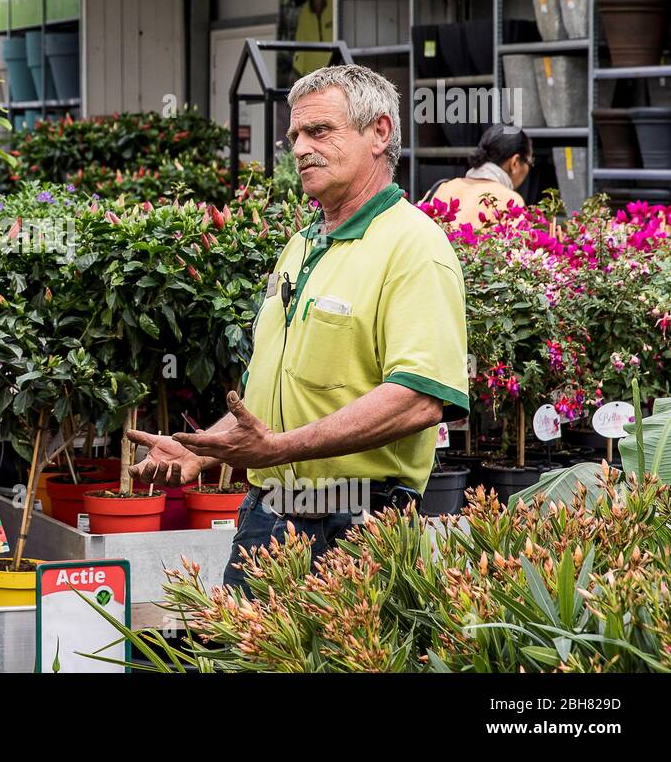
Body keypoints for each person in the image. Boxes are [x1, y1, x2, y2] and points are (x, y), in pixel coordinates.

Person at [128, 64, 469, 597]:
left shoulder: (415, 248)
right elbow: (280, 391)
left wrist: (282, 448)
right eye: (295, 136)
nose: (301, 148)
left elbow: (419, 398)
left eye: (320, 131)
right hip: (271, 518)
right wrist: (205, 449)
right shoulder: (303, 246)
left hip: (355, 524)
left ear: (380, 132)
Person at [421, 125, 533, 228]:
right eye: (530, 162)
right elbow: (517, 247)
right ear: (515, 162)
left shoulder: (446, 188)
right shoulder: (511, 201)